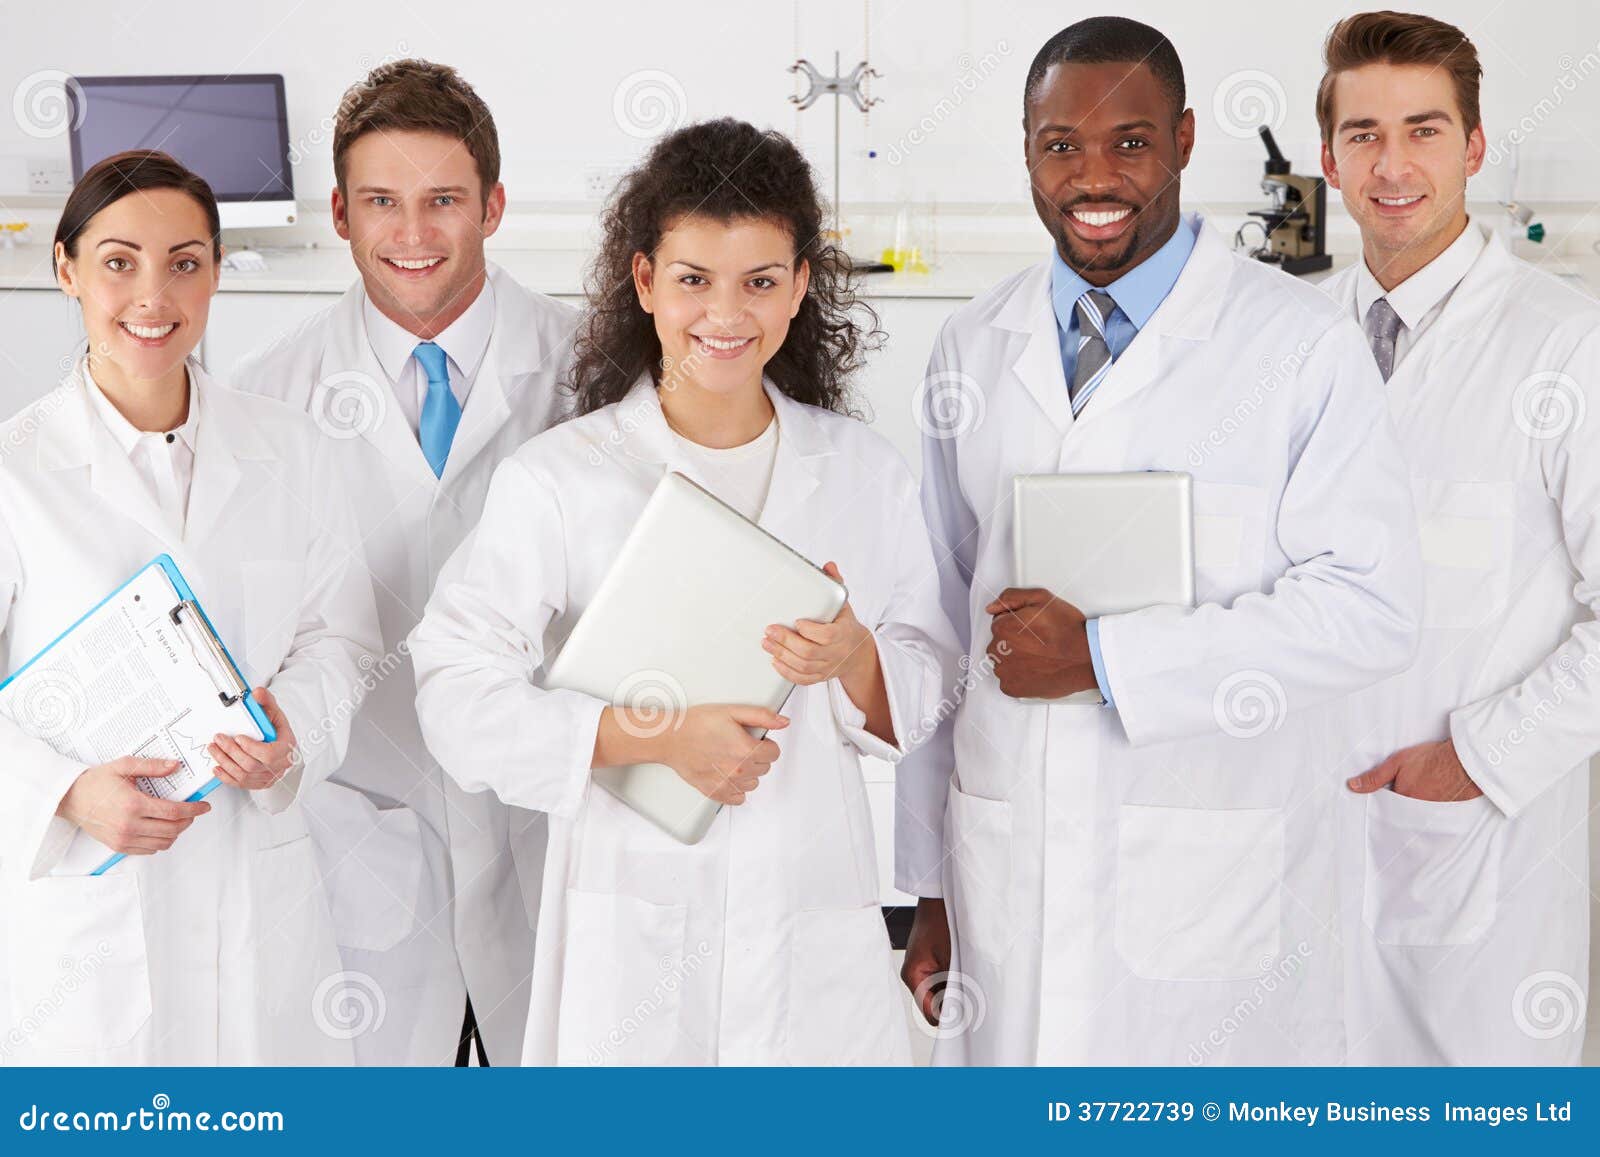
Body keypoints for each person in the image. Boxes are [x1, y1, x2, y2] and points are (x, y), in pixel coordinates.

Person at [894, 16, 1424, 1065]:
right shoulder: (972, 342)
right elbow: (935, 620)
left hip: (1210, 888)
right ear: (1027, 150)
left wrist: (1102, 658)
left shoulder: (1297, 345)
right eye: (1060, 146)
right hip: (1008, 876)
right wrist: (933, 886)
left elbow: (1371, 607)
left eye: (1129, 142)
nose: (1094, 175)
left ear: (1183, 140)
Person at [409, 118, 959, 1065]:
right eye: (695, 279)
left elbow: (936, 683)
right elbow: (453, 689)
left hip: (809, 922)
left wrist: (857, 657)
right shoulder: (563, 478)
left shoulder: (863, 471)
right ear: (645, 282)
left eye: (759, 280)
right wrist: (650, 737)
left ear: (799, 287)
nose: (726, 313)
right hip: (633, 931)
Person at [230, 60, 579, 1066]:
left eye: (443, 202)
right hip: (361, 827)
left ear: (494, 206)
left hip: (543, 818)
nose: (413, 235)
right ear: (339, 214)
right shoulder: (272, 395)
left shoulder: (589, 369)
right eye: (382, 202)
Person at [0, 151, 380, 1064]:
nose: (153, 295)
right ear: (67, 270)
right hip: (91, 909)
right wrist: (64, 792)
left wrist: (296, 731)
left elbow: (343, 636)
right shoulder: (15, 472)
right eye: (118, 261)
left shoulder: (292, 449)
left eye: (185, 262)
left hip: (258, 880)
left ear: (215, 273)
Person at [1318, 11, 1597, 1064]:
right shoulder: (1286, 339)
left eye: (1424, 130)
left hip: (1475, 853)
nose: (1392, 164)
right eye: (1362, 134)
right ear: (1328, 157)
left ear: (1473, 147)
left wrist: (1474, 759)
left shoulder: (1563, 346)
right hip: (1294, 847)